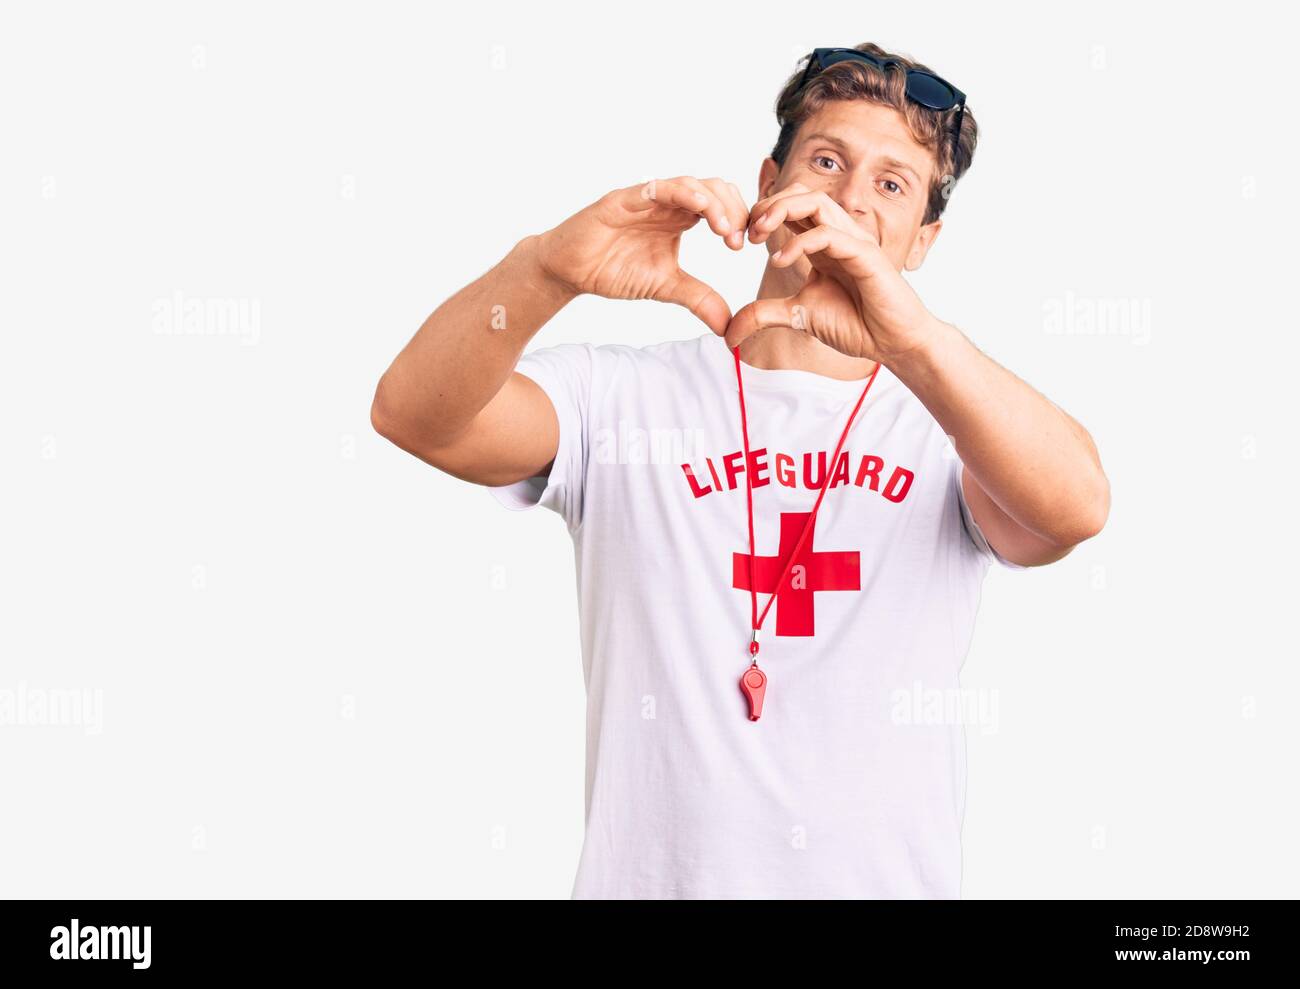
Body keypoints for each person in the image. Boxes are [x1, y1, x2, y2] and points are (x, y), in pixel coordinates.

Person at [371, 42, 1110, 899]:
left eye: (892, 184)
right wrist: (545, 270)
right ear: (769, 184)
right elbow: (414, 415)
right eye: (827, 160)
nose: (848, 199)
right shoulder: (623, 398)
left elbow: (1077, 506)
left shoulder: (956, 422)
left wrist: (914, 343)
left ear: (923, 241)